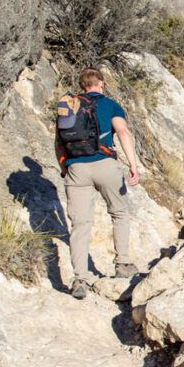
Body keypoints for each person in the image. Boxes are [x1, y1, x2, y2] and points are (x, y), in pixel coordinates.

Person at [56, 67, 141, 299]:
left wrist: (67, 168)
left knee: (80, 224)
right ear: (101, 83)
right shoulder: (110, 105)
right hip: (105, 165)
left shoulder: (69, 105)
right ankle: (122, 264)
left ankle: (80, 278)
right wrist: (133, 165)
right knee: (119, 213)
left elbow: (60, 144)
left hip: (76, 169)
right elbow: (122, 132)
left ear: (82, 85)